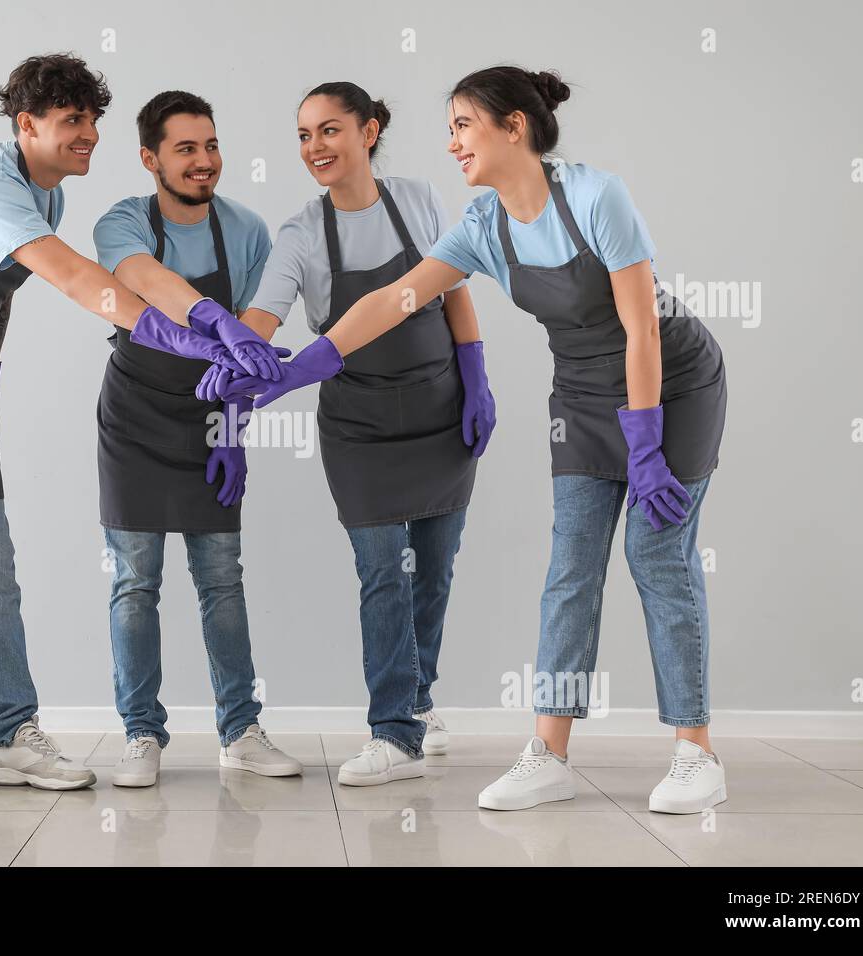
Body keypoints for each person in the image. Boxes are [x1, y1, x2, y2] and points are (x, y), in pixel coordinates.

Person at [241, 67, 729, 813]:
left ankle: (695, 753)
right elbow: (396, 297)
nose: (452, 142)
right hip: (582, 395)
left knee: (656, 554)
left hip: (673, 385)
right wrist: (304, 367)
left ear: (515, 128)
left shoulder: (598, 196)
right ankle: (550, 752)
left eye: (465, 124)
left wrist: (646, 440)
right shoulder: (483, 223)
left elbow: (641, 328)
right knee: (570, 568)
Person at [0, 54, 270, 803]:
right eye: (72, 122)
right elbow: (76, 279)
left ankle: (8, 735)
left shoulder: (46, 193)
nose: (88, 134)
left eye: (93, 120)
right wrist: (187, 335)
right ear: (26, 126)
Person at [201, 82, 496, 787]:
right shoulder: (302, 234)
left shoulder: (420, 199)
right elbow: (263, 321)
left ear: (368, 132)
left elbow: (454, 289)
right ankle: (392, 733)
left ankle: (418, 699)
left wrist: (477, 377)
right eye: (303, 136)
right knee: (381, 573)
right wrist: (232, 373)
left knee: (434, 570)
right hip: (359, 430)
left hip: (440, 414)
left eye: (328, 130)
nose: (314, 149)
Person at [90, 90, 303, 786]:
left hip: (209, 411)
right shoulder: (123, 222)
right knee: (135, 580)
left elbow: (253, 336)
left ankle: (240, 729)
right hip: (135, 415)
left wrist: (232, 430)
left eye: (211, 146)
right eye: (186, 149)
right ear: (150, 158)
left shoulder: (245, 230)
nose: (204, 161)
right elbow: (144, 280)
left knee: (221, 578)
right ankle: (141, 736)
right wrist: (212, 316)